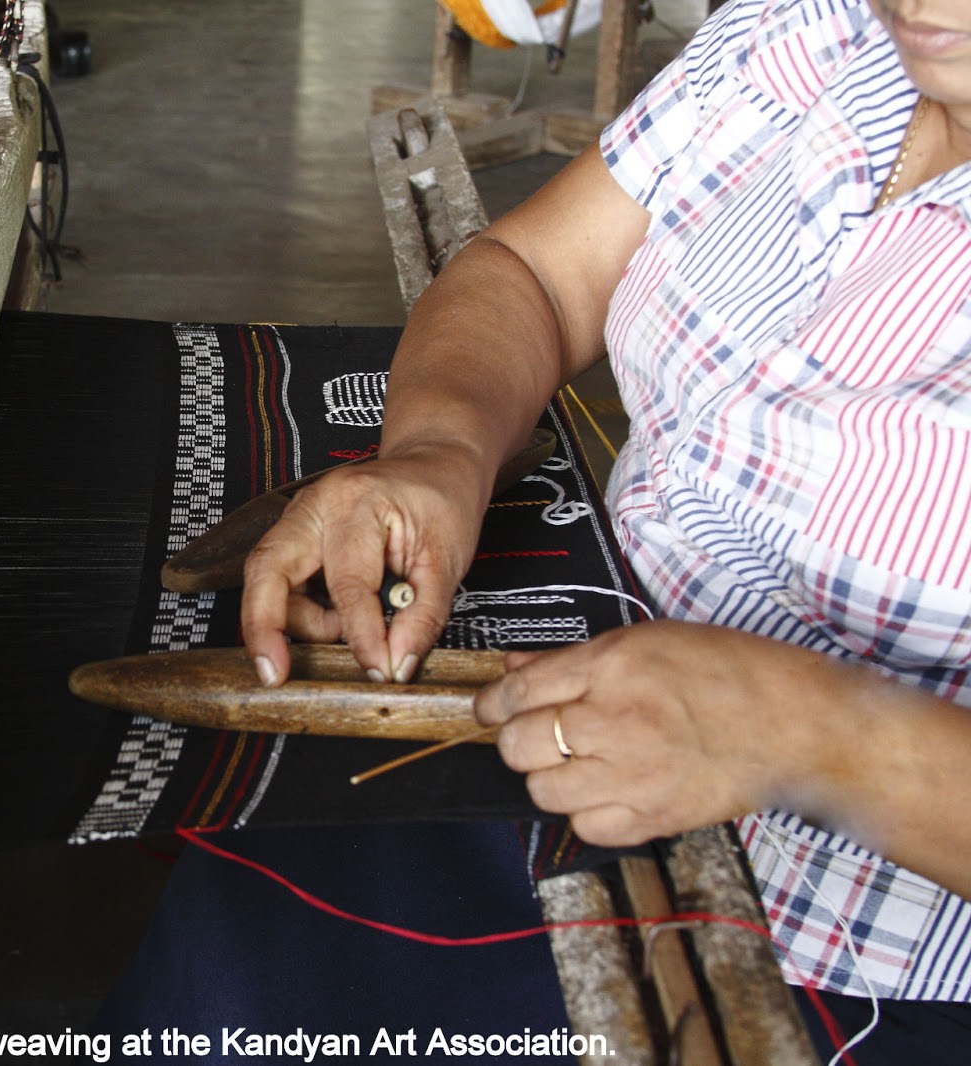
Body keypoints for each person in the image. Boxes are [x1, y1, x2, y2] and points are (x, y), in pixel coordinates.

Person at [228, 0, 971, 1056]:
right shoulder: (806, 37)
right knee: (249, 931)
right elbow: (535, 274)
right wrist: (440, 451)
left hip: (843, 971)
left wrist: (813, 736)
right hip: (563, 747)